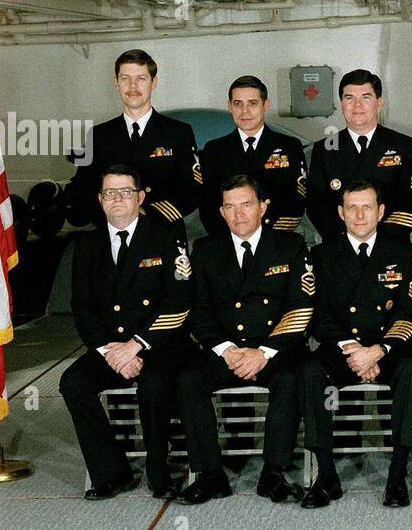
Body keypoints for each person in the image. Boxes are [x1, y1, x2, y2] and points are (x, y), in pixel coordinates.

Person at [174, 175, 312, 505]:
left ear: (264, 207)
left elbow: (301, 306)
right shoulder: (205, 250)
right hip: (227, 350)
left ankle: (274, 473)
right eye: (230, 207)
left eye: (246, 204)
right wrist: (228, 350)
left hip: (274, 349)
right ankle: (210, 475)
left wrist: (263, 352)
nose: (239, 215)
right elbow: (198, 311)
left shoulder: (291, 246)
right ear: (221, 212)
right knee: (188, 380)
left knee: (293, 379)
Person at [60, 165, 193, 500]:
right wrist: (110, 352)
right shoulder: (87, 245)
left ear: (140, 197)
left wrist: (136, 346)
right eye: (110, 193)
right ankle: (112, 472)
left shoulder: (166, 238)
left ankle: (159, 471)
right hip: (110, 347)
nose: (118, 199)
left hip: (159, 345)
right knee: (73, 383)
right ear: (101, 200)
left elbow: (179, 302)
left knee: (154, 383)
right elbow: (83, 307)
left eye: (125, 192)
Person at [299, 180, 412, 509]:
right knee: (311, 373)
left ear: (380, 212)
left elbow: (409, 311)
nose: (359, 214)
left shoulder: (402, 252)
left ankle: (397, 475)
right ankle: (326, 475)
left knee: (411, 370)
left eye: (367, 206)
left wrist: (379, 350)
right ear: (340, 213)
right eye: (351, 207)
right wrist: (353, 349)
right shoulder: (322, 256)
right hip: (343, 350)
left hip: (388, 349)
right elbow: (317, 314)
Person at [66, 49, 199, 233]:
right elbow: (83, 190)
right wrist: (114, 217)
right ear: (116, 83)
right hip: (112, 234)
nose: (133, 86)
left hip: (162, 232)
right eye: (125, 78)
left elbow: (192, 191)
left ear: (154, 82)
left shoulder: (178, 132)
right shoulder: (97, 135)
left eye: (141, 78)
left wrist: (143, 214)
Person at [306, 69, 412, 239]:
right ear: (341, 103)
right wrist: (345, 242)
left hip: (390, 246)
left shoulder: (402, 145)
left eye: (366, 97)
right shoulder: (324, 149)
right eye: (349, 98)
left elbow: (410, 202)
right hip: (339, 249)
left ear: (379, 103)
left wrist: (381, 243)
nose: (357, 105)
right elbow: (316, 206)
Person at [196, 75, 307, 237]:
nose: (245, 111)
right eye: (238, 104)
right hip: (229, 241)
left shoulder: (289, 146)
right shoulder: (214, 150)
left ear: (266, 105)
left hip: (276, 239)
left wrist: (269, 239)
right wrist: (231, 239)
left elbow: (297, 199)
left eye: (253, 103)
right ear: (229, 106)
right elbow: (208, 204)